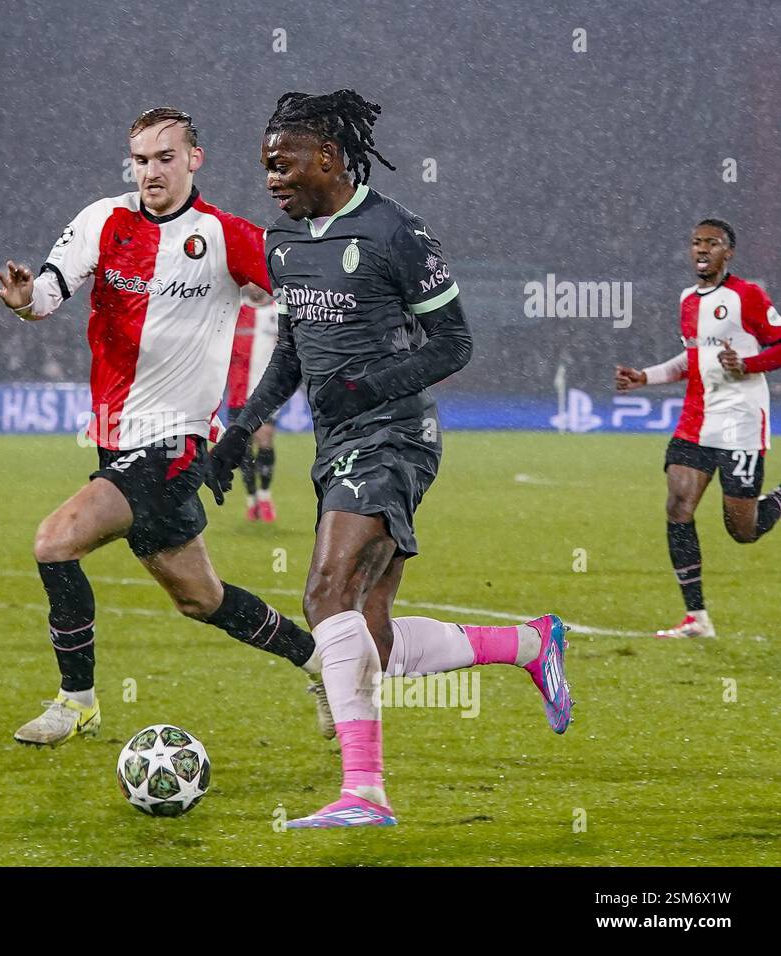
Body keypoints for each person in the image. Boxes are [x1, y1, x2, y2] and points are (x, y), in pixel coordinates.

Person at [210, 89, 573, 828]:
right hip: (338, 444)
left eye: (283, 164)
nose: (272, 178)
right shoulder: (284, 241)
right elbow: (292, 348)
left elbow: (454, 344)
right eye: (265, 167)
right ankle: (532, 642)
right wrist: (241, 428)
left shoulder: (396, 232)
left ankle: (364, 791)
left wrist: (368, 384)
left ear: (331, 158)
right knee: (370, 639)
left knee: (323, 593)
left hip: (396, 439)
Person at [0, 108, 332, 748]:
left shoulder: (227, 238)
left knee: (55, 542)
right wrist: (23, 300)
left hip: (175, 445)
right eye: (142, 160)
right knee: (200, 599)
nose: (151, 171)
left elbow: (307, 286)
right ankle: (321, 663)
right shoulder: (104, 220)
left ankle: (76, 701)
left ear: (194, 159)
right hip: (116, 441)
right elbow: (47, 293)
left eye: (164, 158)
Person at [616, 218, 781, 638]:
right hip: (695, 421)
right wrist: (646, 377)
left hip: (741, 422)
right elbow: (692, 359)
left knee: (742, 530)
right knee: (678, 506)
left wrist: (748, 363)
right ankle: (697, 619)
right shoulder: (688, 299)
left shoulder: (748, 296)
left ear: (729, 252)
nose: (702, 249)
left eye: (713, 243)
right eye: (696, 242)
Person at [226, 286, 282, 521]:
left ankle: (265, 496)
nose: (254, 286)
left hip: (265, 393)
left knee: (265, 439)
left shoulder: (277, 312)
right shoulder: (234, 311)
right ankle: (252, 500)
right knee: (244, 449)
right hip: (237, 393)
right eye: (250, 282)